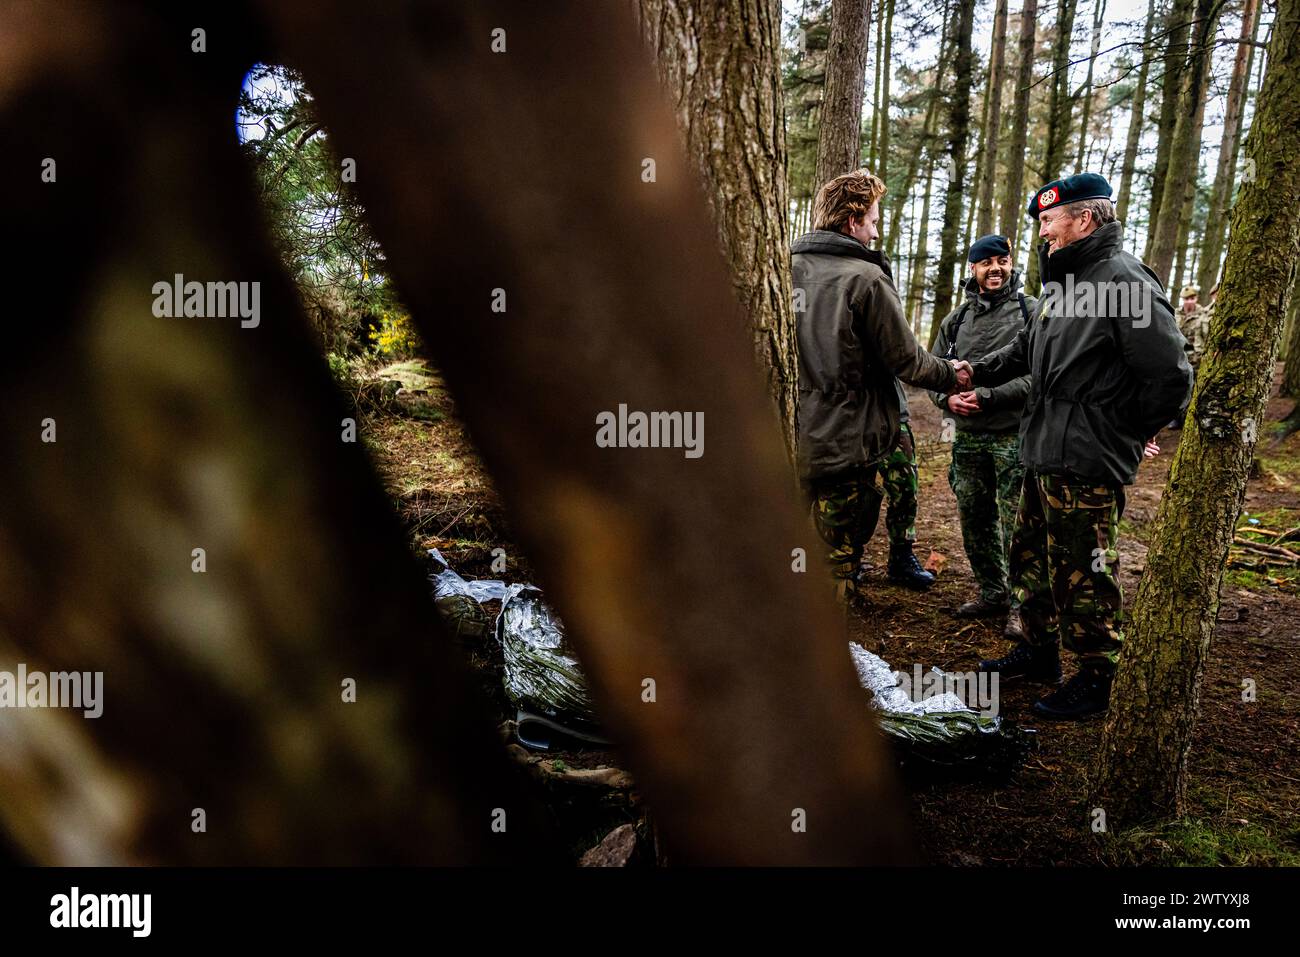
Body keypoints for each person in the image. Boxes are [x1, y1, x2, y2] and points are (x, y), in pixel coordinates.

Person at [970, 173, 1192, 719]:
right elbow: (1025, 350)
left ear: (1084, 219)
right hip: (1043, 452)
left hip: (1088, 459)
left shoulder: (1124, 281)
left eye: (1049, 220)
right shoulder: (1064, 283)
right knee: (1031, 559)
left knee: (1083, 571)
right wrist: (971, 370)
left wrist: (1128, 430)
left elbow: (1170, 374)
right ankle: (1038, 651)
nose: (1042, 232)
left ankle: (1098, 677)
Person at [791, 168, 971, 601]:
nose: (874, 232)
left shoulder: (782, 268)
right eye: (872, 221)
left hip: (790, 433)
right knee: (838, 553)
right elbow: (906, 359)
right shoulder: (865, 279)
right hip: (847, 441)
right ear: (852, 222)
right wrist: (952, 373)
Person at [929, 234, 1035, 639]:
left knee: (1018, 525)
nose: (996, 269)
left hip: (1014, 437)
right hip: (968, 439)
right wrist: (946, 401)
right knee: (974, 518)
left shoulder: (1031, 311)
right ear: (972, 269)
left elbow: (1039, 376)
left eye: (1002, 261)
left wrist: (990, 395)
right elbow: (935, 371)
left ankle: (1023, 608)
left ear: (1011, 265)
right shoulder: (956, 320)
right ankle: (992, 591)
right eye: (986, 262)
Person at [877, 380, 937, 590]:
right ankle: (849, 561)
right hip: (846, 418)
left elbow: (904, 359)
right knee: (854, 494)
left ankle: (901, 557)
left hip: (891, 416)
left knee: (905, 489)